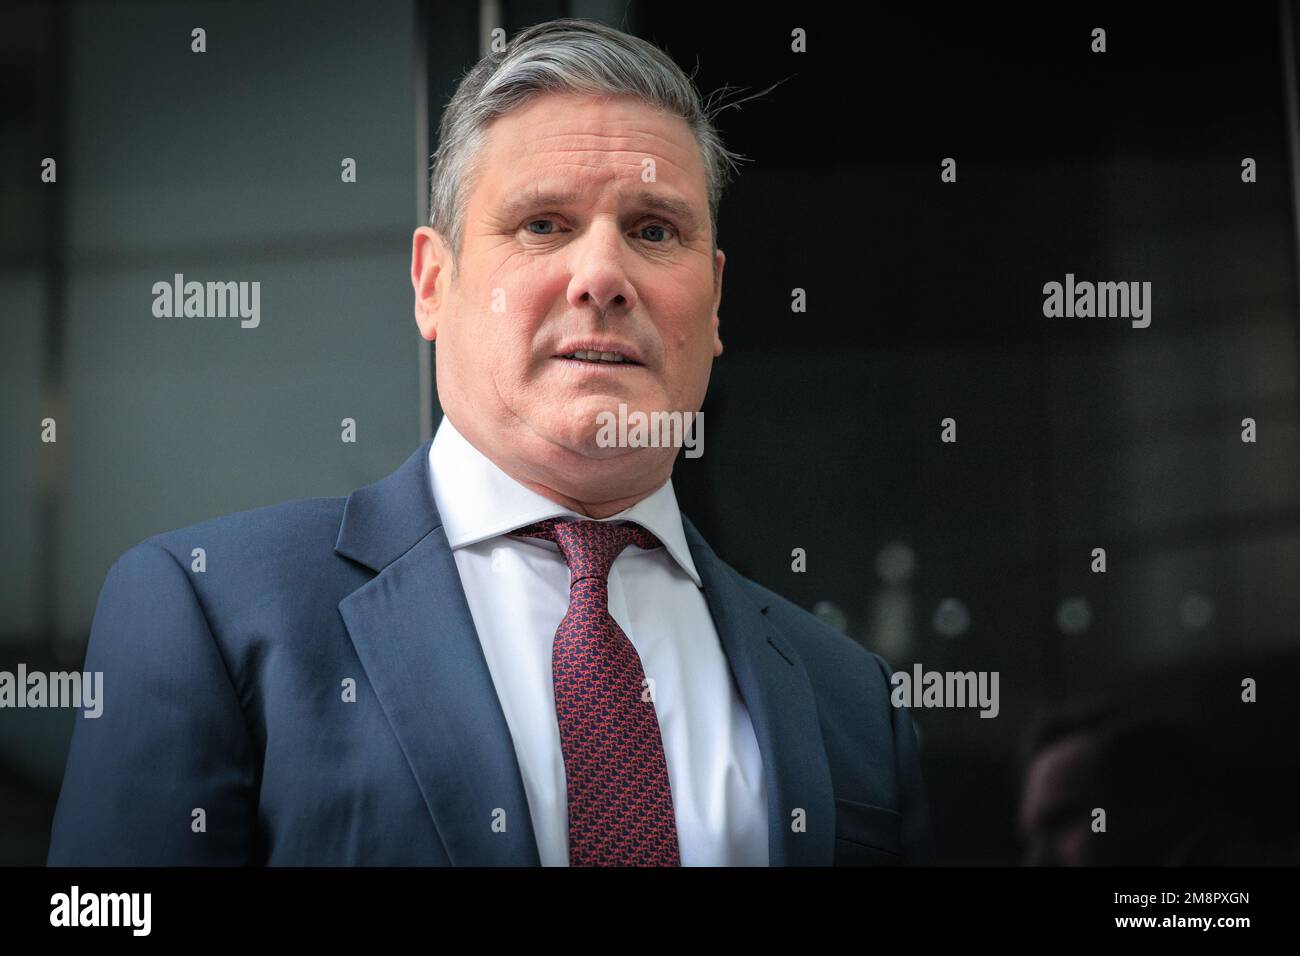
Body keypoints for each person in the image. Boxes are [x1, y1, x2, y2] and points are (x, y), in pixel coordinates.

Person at [47, 18, 932, 867]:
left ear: (715, 299)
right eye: (543, 224)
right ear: (433, 284)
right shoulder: (209, 612)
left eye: (655, 230)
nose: (603, 277)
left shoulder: (849, 701)